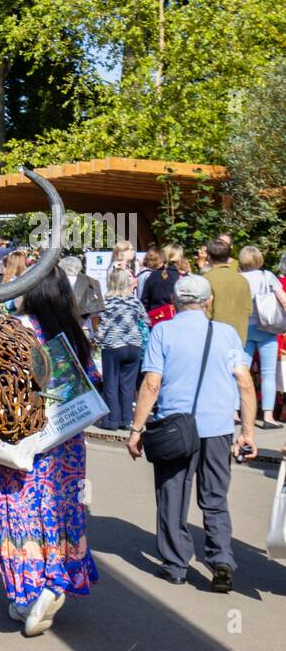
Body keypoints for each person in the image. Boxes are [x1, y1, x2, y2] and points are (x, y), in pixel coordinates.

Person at [0, 268, 100, 636]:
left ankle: (32, 591)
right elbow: (92, 382)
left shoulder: (16, 331)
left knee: (14, 509)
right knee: (59, 510)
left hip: (24, 438)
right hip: (66, 443)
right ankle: (46, 585)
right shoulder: (73, 334)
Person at [127, 275, 257, 592]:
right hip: (218, 427)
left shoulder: (163, 331)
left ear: (174, 301)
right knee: (215, 497)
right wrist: (248, 431)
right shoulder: (226, 334)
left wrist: (136, 429)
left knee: (172, 495)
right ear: (208, 300)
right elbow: (244, 382)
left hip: (175, 426)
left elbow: (151, 384)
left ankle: (175, 565)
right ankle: (222, 561)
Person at [237, 245, 286, 428]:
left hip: (244, 328)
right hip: (267, 328)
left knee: (241, 372)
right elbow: (283, 300)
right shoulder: (268, 276)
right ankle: (267, 416)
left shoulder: (238, 278)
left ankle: (236, 412)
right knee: (268, 373)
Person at [99, 267, 147, 430]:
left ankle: (112, 420)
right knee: (128, 385)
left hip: (113, 345)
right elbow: (145, 320)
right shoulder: (135, 301)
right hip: (134, 345)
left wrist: (96, 340)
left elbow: (103, 326)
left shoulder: (107, 302)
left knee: (111, 384)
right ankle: (126, 420)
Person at [203, 238, 251, 345]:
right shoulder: (242, 279)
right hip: (238, 337)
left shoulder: (206, 279)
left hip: (214, 338)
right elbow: (249, 309)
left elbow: (205, 311)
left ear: (209, 257)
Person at [58, 255, 104, 336]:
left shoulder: (55, 283)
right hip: (84, 330)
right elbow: (95, 315)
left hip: (60, 330)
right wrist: (98, 335)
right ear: (79, 266)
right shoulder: (92, 282)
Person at [140, 244, 184, 313]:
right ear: (180, 258)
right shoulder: (182, 277)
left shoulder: (153, 276)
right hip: (176, 318)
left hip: (156, 319)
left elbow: (144, 302)